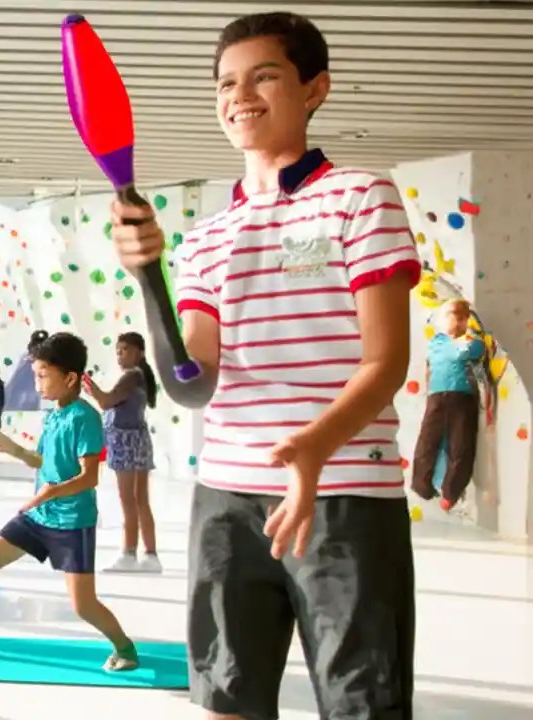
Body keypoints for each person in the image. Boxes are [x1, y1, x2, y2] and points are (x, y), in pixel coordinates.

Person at [109, 12, 419, 719]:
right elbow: (193, 381)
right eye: (225, 83)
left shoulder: (361, 198)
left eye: (264, 76)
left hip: (344, 493)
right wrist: (150, 278)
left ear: (315, 89)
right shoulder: (208, 236)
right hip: (225, 498)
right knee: (226, 700)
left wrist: (314, 446)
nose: (239, 95)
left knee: (363, 703)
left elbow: (386, 358)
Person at [0, 331, 139, 672]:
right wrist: (14, 449)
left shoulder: (86, 418)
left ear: (69, 378)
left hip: (71, 520)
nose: (37, 383)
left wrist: (49, 492)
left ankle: (125, 648)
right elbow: (42, 463)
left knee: (83, 605)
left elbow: (89, 478)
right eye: (35, 374)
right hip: (39, 514)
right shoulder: (53, 415)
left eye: (42, 375)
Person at [83, 332, 161, 573]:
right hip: (137, 439)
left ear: (138, 352)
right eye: (118, 350)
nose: (120, 355)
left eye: (125, 350)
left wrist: (88, 384)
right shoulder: (138, 377)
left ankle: (129, 552)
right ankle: (149, 554)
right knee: (140, 500)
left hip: (126, 442)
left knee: (128, 499)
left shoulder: (130, 377)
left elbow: (106, 401)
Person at [412, 298, 486, 510]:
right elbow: (461, 352)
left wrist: (472, 342)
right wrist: (470, 343)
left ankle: (451, 492)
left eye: (463, 317)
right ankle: (422, 485)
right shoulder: (438, 342)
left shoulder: (469, 341)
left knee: (461, 444)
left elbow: (476, 349)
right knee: (428, 441)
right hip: (438, 396)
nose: (459, 320)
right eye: (454, 315)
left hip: (461, 397)